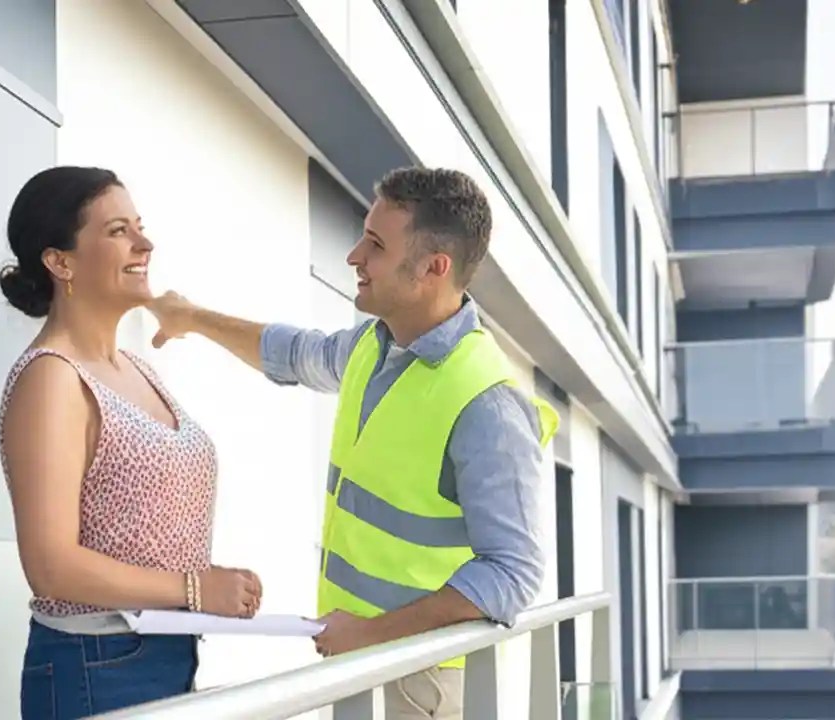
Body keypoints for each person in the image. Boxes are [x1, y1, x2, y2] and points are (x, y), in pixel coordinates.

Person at [145, 166, 558, 720]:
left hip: (422, 681)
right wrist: (191, 318)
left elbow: (512, 572)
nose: (354, 256)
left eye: (377, 244)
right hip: (364, 659)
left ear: (434, 268)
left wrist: (372, 635)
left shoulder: (488, 404)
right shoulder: (375, 346)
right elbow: (290, 353)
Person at [0, 166, 262, 720]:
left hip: (165, 654)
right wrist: (195, 589)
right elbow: (49, 565)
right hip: (95, 661)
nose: (145, 243)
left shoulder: (138, 369)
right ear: (60, 261)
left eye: (139, 227)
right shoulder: (52, 378)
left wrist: (207, 591)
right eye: (118, 230)